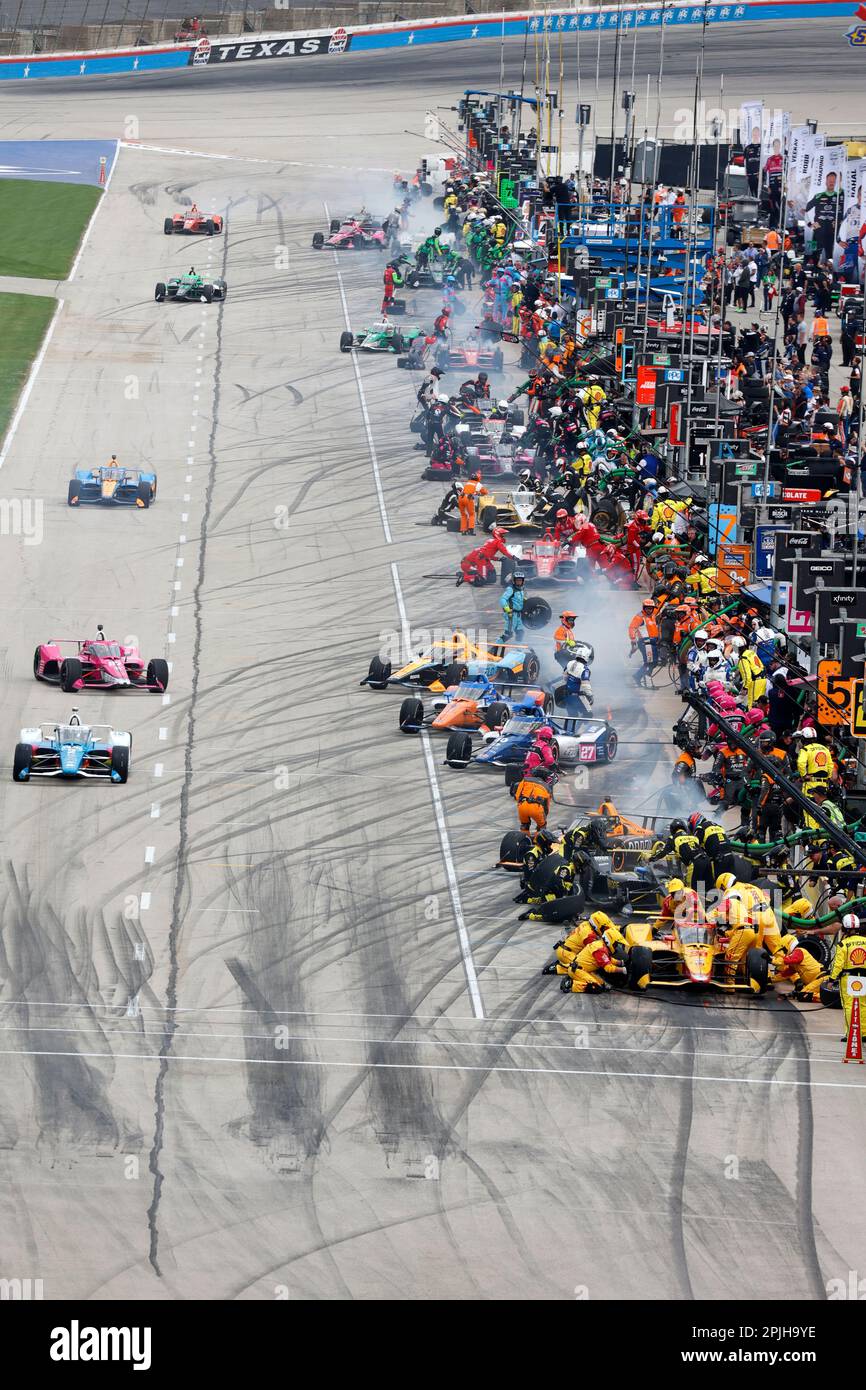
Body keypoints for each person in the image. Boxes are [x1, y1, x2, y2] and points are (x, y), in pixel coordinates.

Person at [830, 913, 866, 1039]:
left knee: (849, 1005)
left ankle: (851, 1033)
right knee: (863, 1004)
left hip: (848, 978)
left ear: (844, 928)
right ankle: (864, 1033)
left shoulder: (843, 944)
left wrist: (831, 979)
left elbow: (838, 964)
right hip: (864, 978)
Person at [513, 766, 553, 837]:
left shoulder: (525, 780)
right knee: (542, 827)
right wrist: (543, 817)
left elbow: (517, 795)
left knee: (524, 825)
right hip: (537, 808)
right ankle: (538, 843)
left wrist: (520, 804)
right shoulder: (547, 787)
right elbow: (547, 806)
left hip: (523, 805)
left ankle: (524, 840)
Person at [628, 598, 659, 682]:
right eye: (647, 608)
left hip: (653, 642)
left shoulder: (653, 616)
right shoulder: (639, 617)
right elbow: (632, 628)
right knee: (649, 662)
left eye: (651, 608)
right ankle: (647, 681)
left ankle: (637, 676)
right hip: (645, 643)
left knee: (655, 662)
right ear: (643, 608)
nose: (649, 610)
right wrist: (633, 638)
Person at [500, 570, 526, 640]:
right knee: (508, 634)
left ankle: (518, 649)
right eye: (517, 580)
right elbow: (502, 599)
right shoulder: (510, 589)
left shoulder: (522, 589)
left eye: (520, 580)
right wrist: (508, 610)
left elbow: (519, 599)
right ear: (514, 581)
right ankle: (494, 648)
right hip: (511, 615)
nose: (519, 582)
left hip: (519, 615)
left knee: (520, 633)